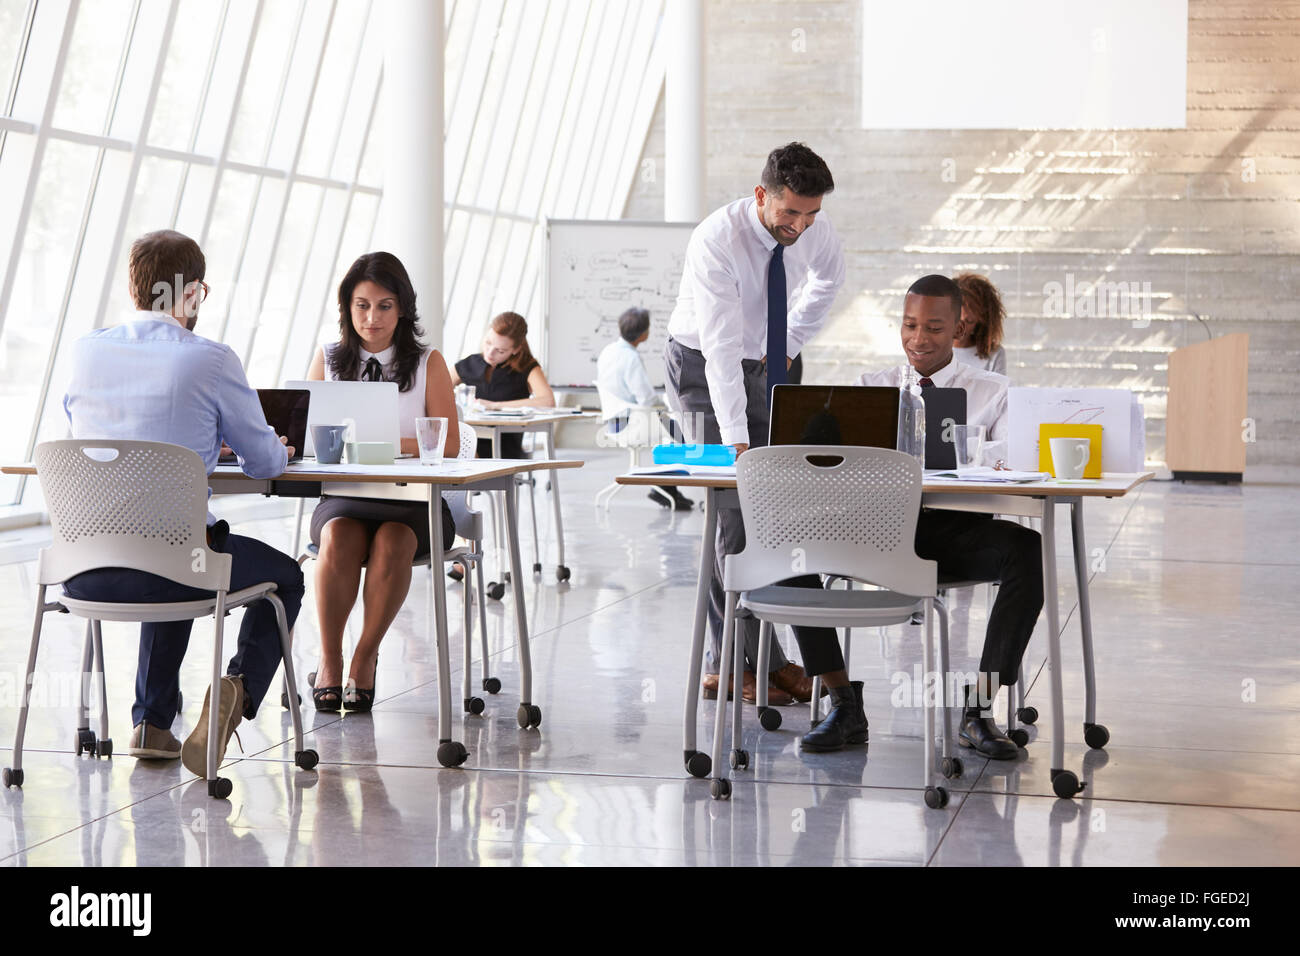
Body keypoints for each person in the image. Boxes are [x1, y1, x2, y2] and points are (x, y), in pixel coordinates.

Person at [60, 229, 303, 778]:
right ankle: (236, 689)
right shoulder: (210, 360)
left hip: (85, 573)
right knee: (281, 576)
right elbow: (264, 462)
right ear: (195, 292)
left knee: (166, 540)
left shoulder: (84, 350)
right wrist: (274, 446)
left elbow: (90, 443)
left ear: (133, 286)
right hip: (180, 570)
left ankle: (152, 723)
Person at [789, 274, 1042, 757]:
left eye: (932, 327)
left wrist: (965, 453)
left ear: (957, 328)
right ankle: (844, 704)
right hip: (872, 536)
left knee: (1026, 549)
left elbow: (1010, 459)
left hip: (950, 538)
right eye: (909, 326)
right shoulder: (871, 386)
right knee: (790, 547)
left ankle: (980, 712)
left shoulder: (993, 391)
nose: (918, 339)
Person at [664, 142, 846, 706]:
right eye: (790, 212)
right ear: (762, 194)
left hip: (770, 356)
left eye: (811, 215)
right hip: (701, 367)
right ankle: (733, 662)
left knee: (780, 507)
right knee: (734, 511)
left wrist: (786, 343)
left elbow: (828, 282)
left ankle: (771, 657)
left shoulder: (812, 229)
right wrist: (738, 440)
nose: (800, 225)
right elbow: (720, 349)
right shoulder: (716, 239)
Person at [305, 251, 459, 712]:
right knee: (338, 537)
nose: (372, 318)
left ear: (403, 308)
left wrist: (388, 444)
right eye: (362, 305)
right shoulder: (329, 359)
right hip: (346, 500)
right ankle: (330, 659)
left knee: (393, 542)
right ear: (347, 309)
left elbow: (446, 445)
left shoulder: (428, 363)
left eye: (385, 305)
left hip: (413, 503)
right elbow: (311, 433)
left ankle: (365, 655)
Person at [595, 306, 692, 511]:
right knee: (683, 433)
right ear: (644, 334)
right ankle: (665, 488)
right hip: (632, 422)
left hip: (613, 422)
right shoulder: (630, 358)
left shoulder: (608, 351)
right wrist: (667, 405)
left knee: (674, 431)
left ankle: (667, 489)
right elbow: (646, 399)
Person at [451, 311, 555, 460]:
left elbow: (548, 401)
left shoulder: (527, 367)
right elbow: (435, 389)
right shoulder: (470, 363)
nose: (490, 353)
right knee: (459, 447)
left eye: (500, 351)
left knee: (465, 452)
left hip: (505, 446)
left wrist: (495, 405)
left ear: (516, 349)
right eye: (488, 343)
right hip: (470, 439)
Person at [952, 272, 1007, 376]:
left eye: (969, 321)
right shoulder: (930, 349)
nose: (960, 327)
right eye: (957, 318)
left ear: (980, 322)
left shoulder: (994, 354)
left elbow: (999, 391)